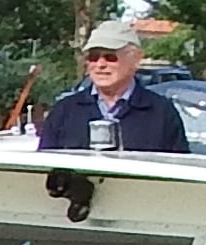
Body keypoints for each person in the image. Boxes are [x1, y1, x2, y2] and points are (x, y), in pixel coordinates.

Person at [36, 18, 191, 154]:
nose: (100, 65)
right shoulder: (64, 111)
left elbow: (180, 174)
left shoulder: (162, 113)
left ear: (135, 59)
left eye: (110, 57)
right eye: (94, 57)